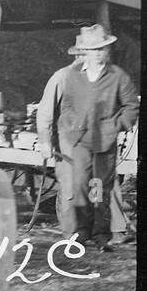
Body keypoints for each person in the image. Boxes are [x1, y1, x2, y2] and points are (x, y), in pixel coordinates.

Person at [36, 25, 139, 250]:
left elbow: (129, 107)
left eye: (100, 49)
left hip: (100, 142)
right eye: (89, 51)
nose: (93, 56)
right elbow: (47, 112)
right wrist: (47, 140)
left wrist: (114, 126)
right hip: (70, 143)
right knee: (74, 188)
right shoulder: (65, 76)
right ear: (80, 53)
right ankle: (74, 234)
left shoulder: (114, 76)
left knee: (100, 188)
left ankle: (103, 233)